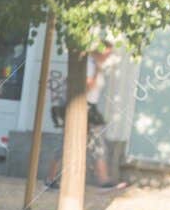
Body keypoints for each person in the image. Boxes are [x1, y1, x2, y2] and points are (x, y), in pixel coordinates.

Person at [47, 52, 127, 190]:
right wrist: (97, 70)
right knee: (85, 144)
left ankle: (51, 179)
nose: (109, 55)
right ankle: (103, 181)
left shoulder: (95, 65)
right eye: (107, 52)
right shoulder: (89, 65)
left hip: (88, 107)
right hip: (82, 106)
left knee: (83, 143)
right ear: (100, 52)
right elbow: (86, 87)